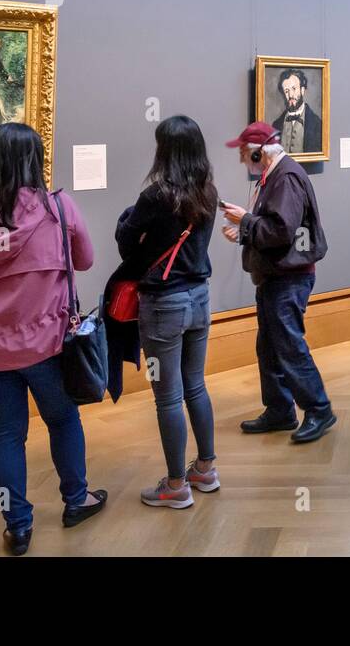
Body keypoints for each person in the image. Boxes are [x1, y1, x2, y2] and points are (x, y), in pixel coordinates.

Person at [0, 123, 106, 555]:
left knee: (6, 434)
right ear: (36, 160)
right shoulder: (58, 208)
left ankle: (19, 526)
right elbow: (84, 261)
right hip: (45, 341)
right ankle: (76, 499)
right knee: (63, 420)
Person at [119, 116, 220, 509]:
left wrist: (127, 220)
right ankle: (205, 469)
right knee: (195, 385)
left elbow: (129, 245)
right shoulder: (208, 191)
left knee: (167, 397)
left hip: (164, 305)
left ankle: (176, 484)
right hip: (199, 298)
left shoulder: (156, 196)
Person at [221, 122, 335, 443]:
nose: (243, 159)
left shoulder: (286, 178)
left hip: (289, 278)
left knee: (289, 345)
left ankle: (319, 408)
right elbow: (271, 227)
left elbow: (282, 231)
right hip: (276, 275)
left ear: (260, 151)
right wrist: (244, 229)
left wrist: (244, 220)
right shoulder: (275, 176)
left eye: (245, 153)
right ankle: (280, 410)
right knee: (270, 347)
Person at [269, 68, 323, 155]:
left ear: (302, 90)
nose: (290, 95)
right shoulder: (276, 125)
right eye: (286, 91)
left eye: (294, 88)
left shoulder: (317, 124)